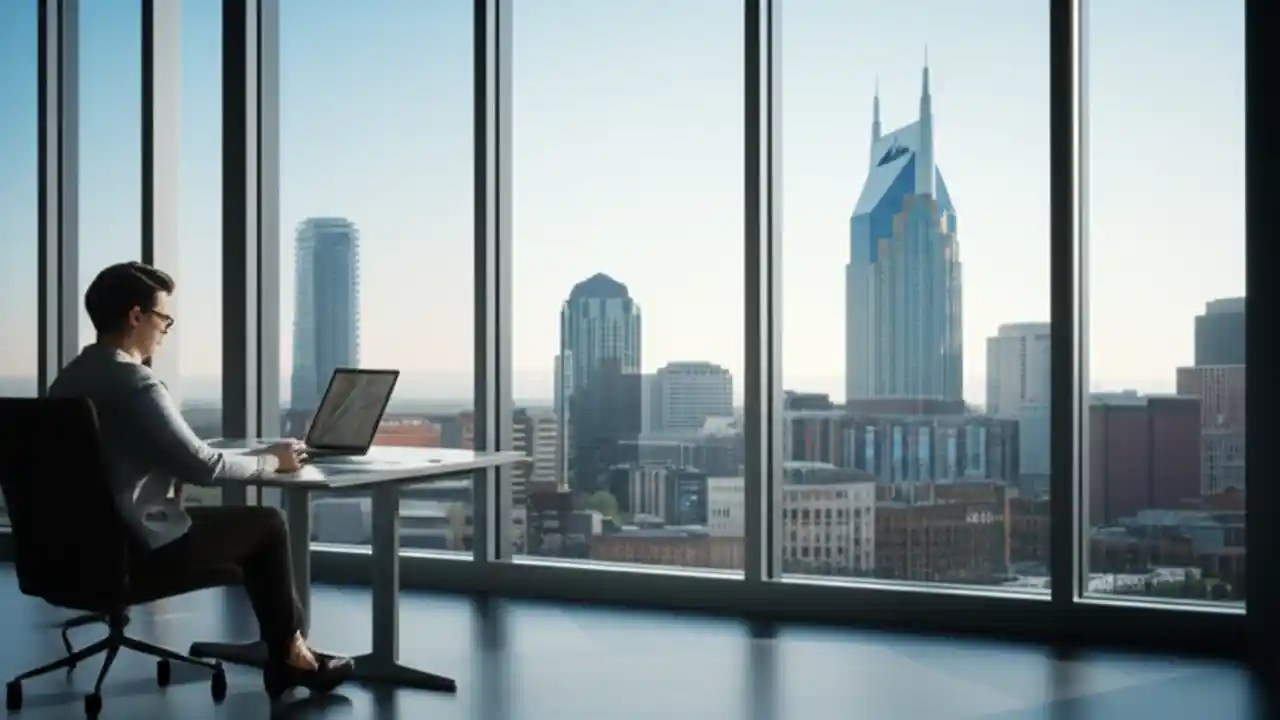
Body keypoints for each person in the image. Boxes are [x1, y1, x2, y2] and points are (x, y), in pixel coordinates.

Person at [48, 262, 353, 699]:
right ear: (136, 317)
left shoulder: (69, 380)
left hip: (68, 554)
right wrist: (274, 463)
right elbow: (204, 468)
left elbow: (169, 455)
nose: (166, 330)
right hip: (136, 552)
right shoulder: (136, 382)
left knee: (243, 535)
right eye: (163, 319)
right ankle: (292, 657)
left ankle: (289, 649)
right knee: (267, 525)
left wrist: (258, 457)